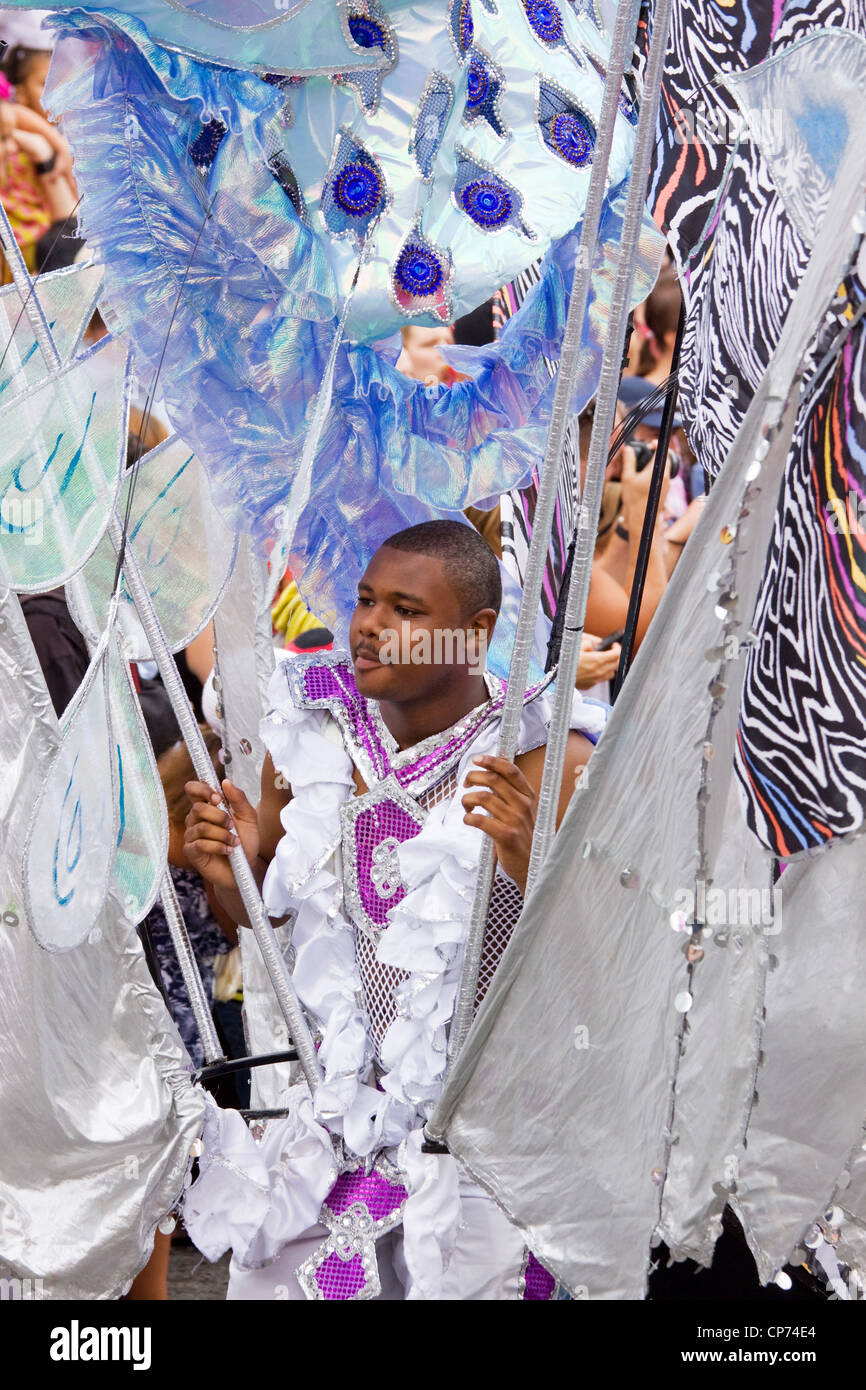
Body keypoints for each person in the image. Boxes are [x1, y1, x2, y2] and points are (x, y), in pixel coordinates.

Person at [182, 519, 606, 1299]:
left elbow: (611, 963)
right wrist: (231, 873)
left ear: (475, 634)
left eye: (407, 610)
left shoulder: (551, 758)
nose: (372, 626)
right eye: (367, 600)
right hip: (335, 1127)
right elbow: (264, 924)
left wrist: (529, 862)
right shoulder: (315, 734)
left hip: (482, 1153)